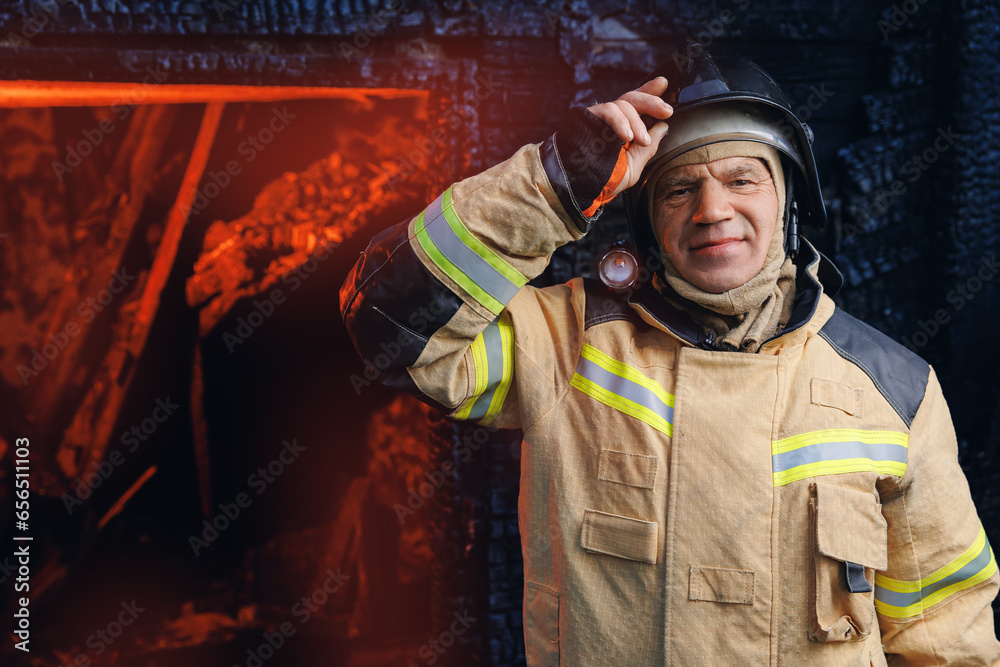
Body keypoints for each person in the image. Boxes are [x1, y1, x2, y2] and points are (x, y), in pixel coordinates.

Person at [340, 48, 1000, 665]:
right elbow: (389, 323)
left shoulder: (895, 389)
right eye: (679, 189)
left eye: (743, 178)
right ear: (650, 222)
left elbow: (949, 628)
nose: (713, 209)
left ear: (789, 201)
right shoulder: (566, 338)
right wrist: (553, 183)